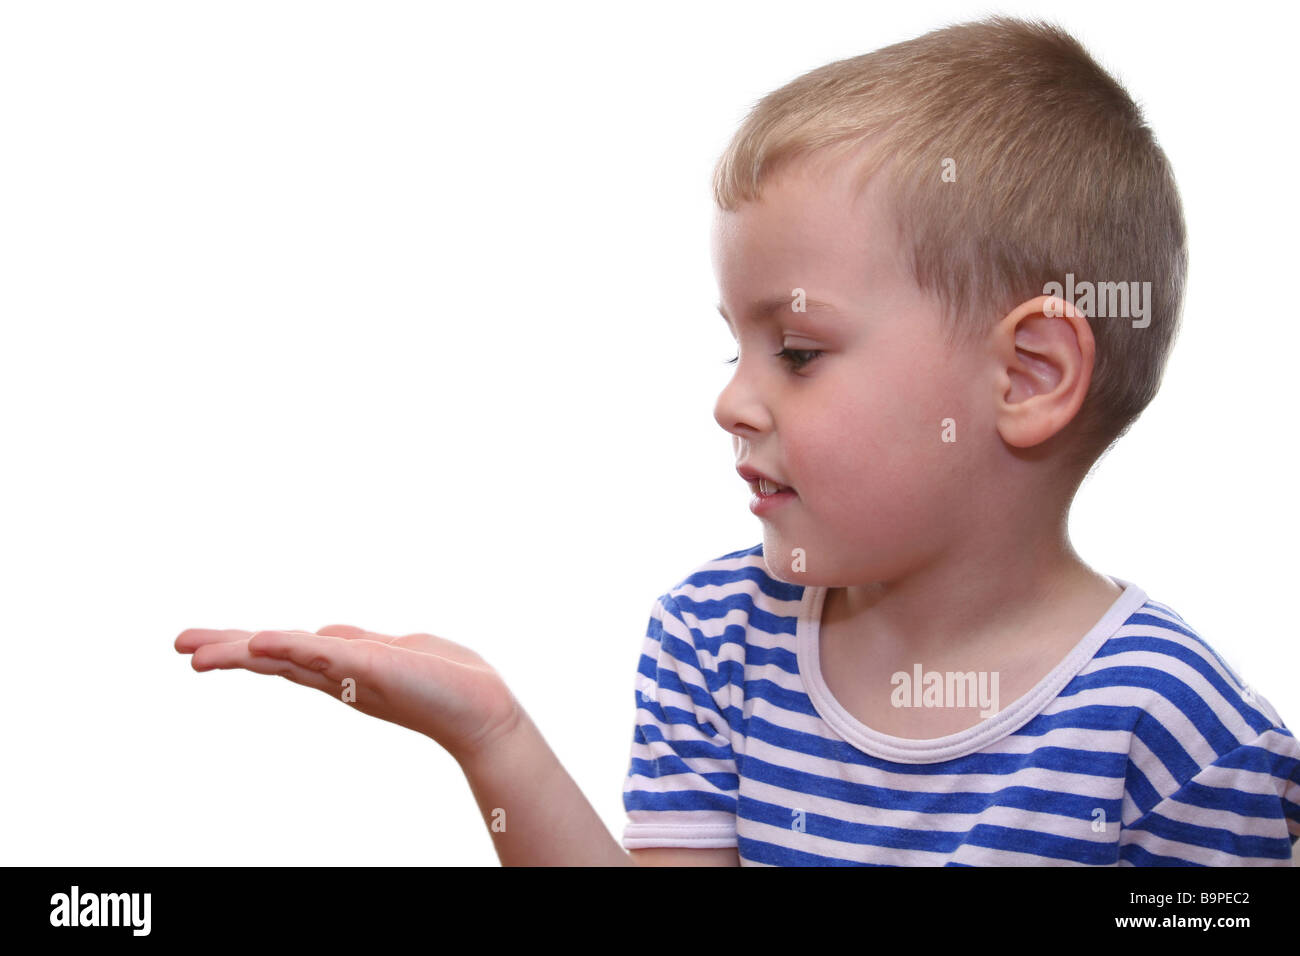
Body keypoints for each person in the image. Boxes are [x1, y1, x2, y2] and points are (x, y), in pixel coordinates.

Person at [174, 16, 1299, 865]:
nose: (733, 404)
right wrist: (495, 736)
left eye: (798, 352)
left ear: (1026, 376)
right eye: (735, 349)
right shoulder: (715, 643)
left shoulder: (1184, 738)